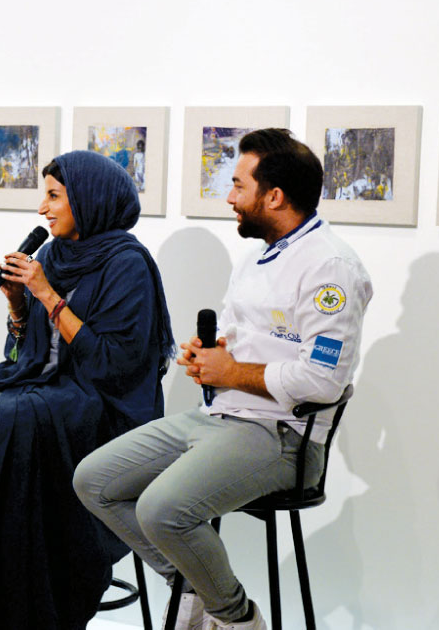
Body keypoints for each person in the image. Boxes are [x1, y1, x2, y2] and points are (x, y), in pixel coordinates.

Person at [74, 129, 372, 630]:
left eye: (238, 186)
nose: (230, 198)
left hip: (283, 437)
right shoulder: (256, 256)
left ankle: (236, 619)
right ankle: (196, 585)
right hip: (220, 415)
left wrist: (231, 371)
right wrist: (208, 355)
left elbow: (322, 380)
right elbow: (240, 338)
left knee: (161, 509)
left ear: (273, 196)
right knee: (94, 480)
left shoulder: (331, 269)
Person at [0, 150, 174, 630]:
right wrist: (17, 303)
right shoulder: (53, 253)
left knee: (6, 424)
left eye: (54, 196)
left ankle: (12, 586)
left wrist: (48, 295)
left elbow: (113, 366)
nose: (42, 210)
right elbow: (27, 352)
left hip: (104, 408)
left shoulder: (128, 265)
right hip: (51, 388)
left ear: (90, 201)